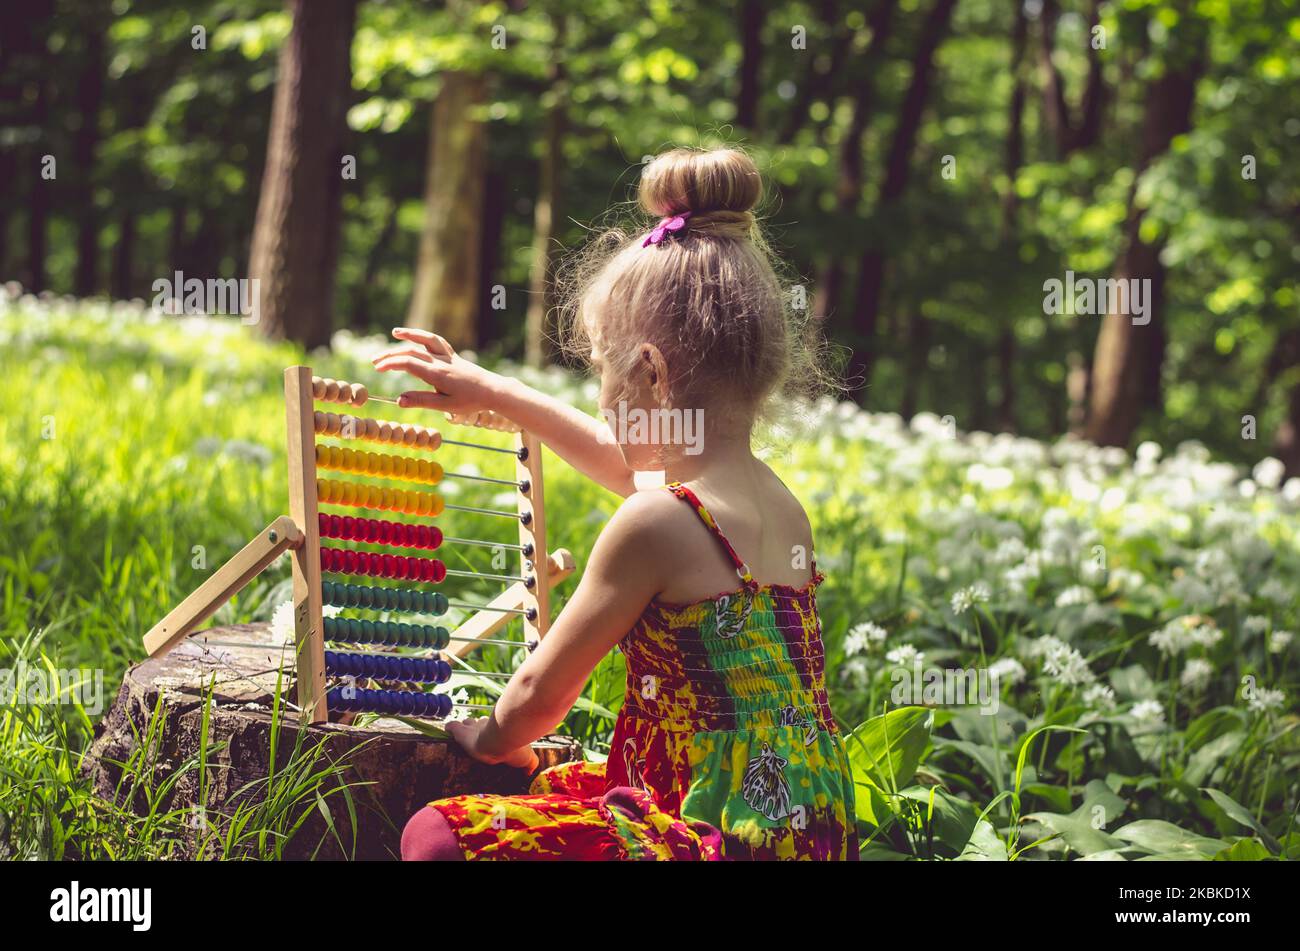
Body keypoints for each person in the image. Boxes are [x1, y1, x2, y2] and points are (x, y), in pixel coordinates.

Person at [373, 147, 855, 860]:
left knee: (437, 836)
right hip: (804, 832)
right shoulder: (776, 506)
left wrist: (489, 734)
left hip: (712, 839)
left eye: (601, 367)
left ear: (652, 374)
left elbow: (541, 692)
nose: (599, 394)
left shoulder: (655, 522)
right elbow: (623, 460)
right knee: (558, 788)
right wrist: (493, 393)